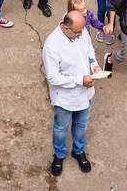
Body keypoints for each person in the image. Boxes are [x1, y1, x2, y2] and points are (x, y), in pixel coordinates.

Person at [42, 10, 100, 177]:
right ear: (66, 29)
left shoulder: (80, 31)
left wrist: (94, 65)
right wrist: (79, 80)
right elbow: (53, 78)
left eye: (82, 31)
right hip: (65, 98)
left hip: (86, 93)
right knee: (61, 128)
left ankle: (78, 151)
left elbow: (89, 50)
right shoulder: (51, 46)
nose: (82, 34)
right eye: (78, 32)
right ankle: (59, 155)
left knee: (81, 125)